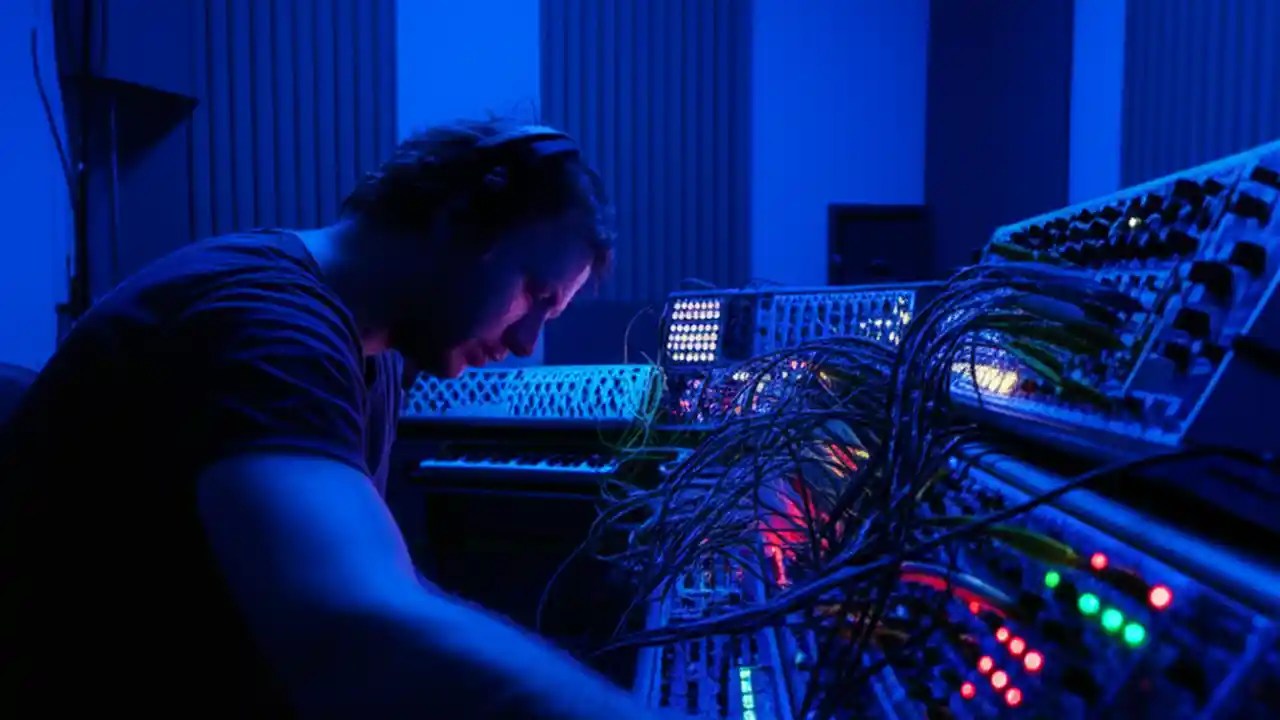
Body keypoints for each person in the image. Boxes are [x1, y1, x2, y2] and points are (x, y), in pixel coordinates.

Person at [0, 119, 664, 718]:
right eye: (532, 293)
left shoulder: (368, 348)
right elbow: (352, 631)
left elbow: (378, 589)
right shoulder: (269, 324)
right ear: (462, 218)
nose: (525, 342)